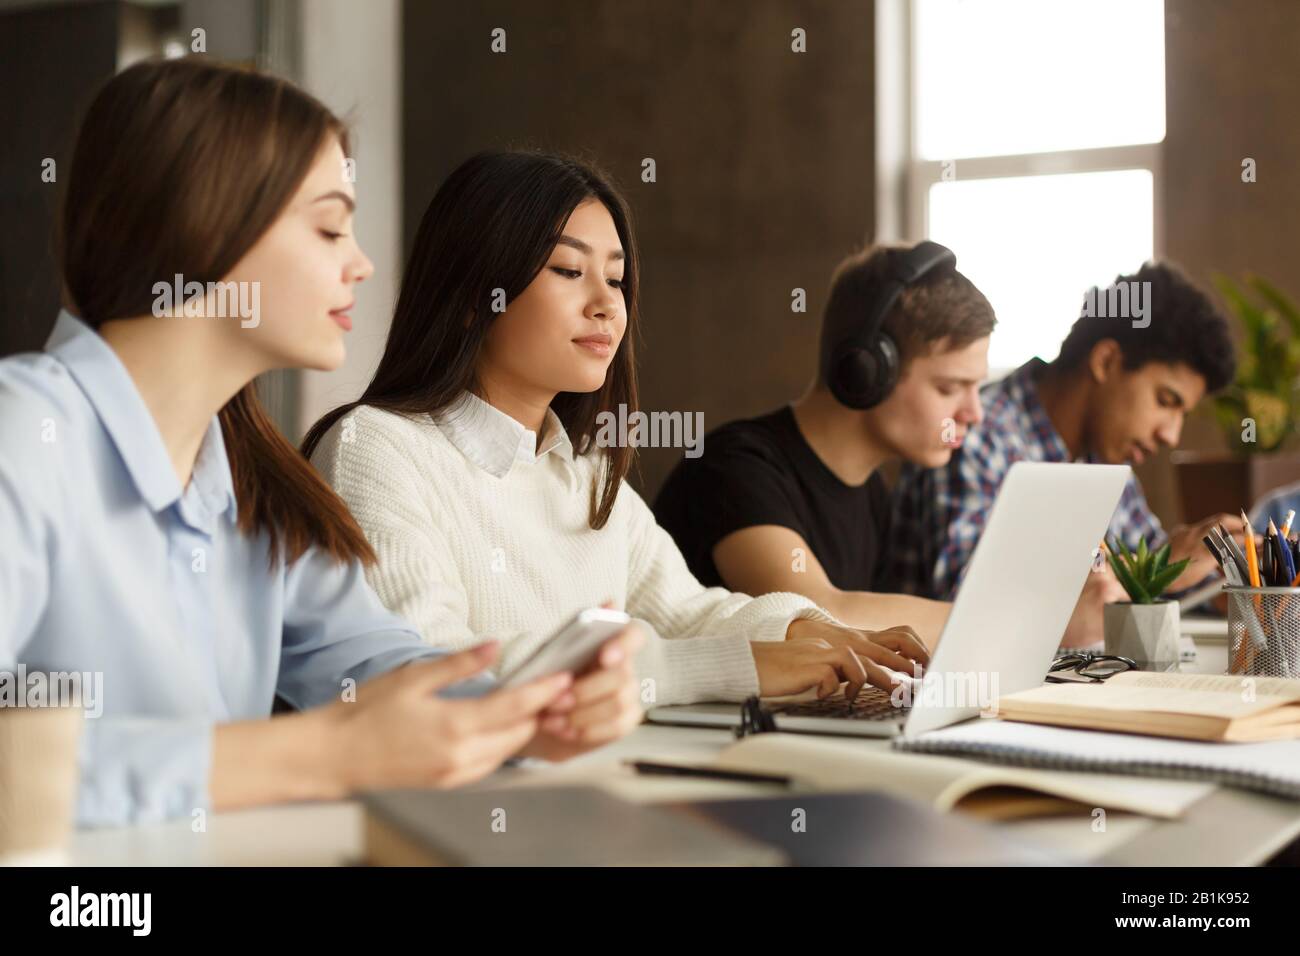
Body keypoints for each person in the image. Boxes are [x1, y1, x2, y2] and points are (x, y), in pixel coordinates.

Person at [0, 59, 638, 828]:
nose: (361, 263)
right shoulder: (26, 434)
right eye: (331, 226)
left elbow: (377, 665)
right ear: (209, 222)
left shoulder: (248, 478)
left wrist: (528, 712)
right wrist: (321, 753)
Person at [304, 151, 931, 709]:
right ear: (476, 293)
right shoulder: (376, 448)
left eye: (617, 277)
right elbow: (432, 673)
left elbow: (689, 613)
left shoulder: (584, 469)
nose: (607, 303)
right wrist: (737, 667)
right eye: (569, 272)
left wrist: (806, 630)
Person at [654, 241, 993, 649]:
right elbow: (820, 619)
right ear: (867, 371)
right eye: (950, 388)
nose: (974, 413)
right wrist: (1010, 619)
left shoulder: (870, 496)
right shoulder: (732, 469)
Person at [886, 261, 1241, 643]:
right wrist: (1154, 567)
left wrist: (1220, 584)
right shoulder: (976, 435)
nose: (1171, 434)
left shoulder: (1105, 460)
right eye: (1165, 400)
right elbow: (971, 611)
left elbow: (1163, 576)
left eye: (1183, 413)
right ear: (1105, 361)